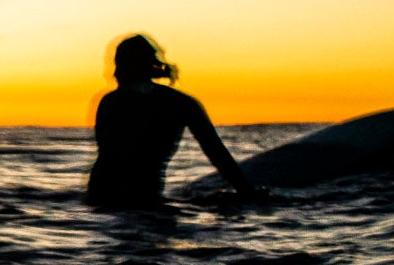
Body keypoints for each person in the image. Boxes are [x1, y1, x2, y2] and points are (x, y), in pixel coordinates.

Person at [86, 34, 265, 208]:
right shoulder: (180, 102)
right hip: (146, 196)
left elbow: (108, 155)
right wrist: (246, 191)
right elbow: (215, 151)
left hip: (103, 197)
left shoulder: (111, 101)